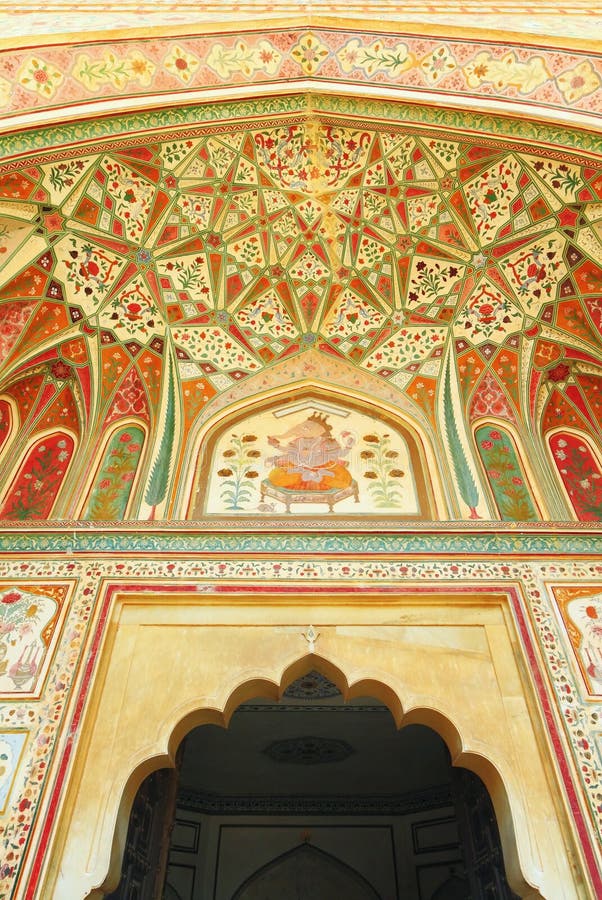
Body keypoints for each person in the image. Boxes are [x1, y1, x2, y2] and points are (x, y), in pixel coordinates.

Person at [266, 413, 354, 492]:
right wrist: (276, 446)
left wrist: (348, 446)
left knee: (344, 481)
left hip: (323, 468)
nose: (302, 429)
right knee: (275, 477)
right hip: (298, 469)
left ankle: (317, 475)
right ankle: (306, 475)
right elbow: (289, 452)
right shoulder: (297, 441)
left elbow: (340, 454)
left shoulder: (327, 442)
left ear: (320, 430)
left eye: (307, 427)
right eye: (303, 427)